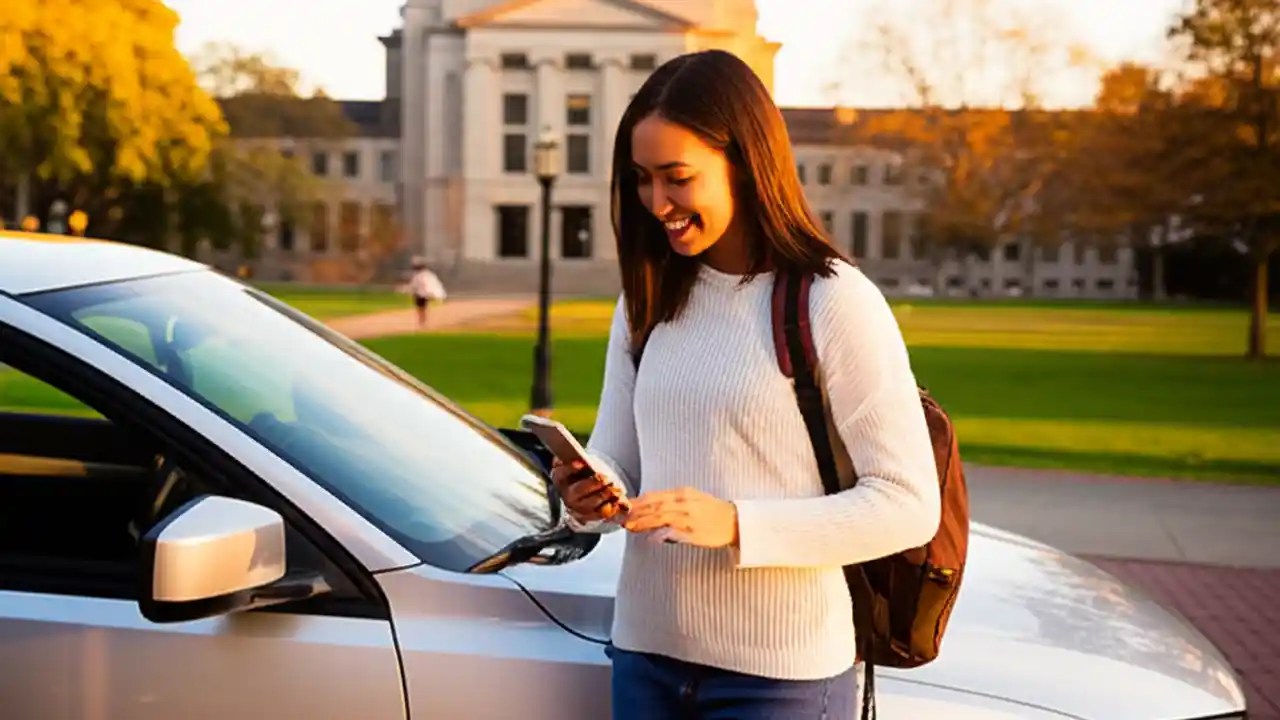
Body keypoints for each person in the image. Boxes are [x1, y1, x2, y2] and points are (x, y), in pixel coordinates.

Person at [550, 50, 940, 719]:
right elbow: (621, 461)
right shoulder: (647, 298)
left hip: (779, 681)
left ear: (745, 163)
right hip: (644, 657)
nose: (657, 203)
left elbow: (907, 504)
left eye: (677, 178)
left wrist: (736, 524)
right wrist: (589, 492)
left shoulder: (833, 300)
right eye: (642, 180)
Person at [407, 257, 446, 328]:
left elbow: (414, 285)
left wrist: (412, 291)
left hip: (420, 294)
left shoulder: (419, 275)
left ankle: (422, 321)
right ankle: (423, 321)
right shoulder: (427, 275)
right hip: (423, 294)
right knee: (423, 308)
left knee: (421, 308)